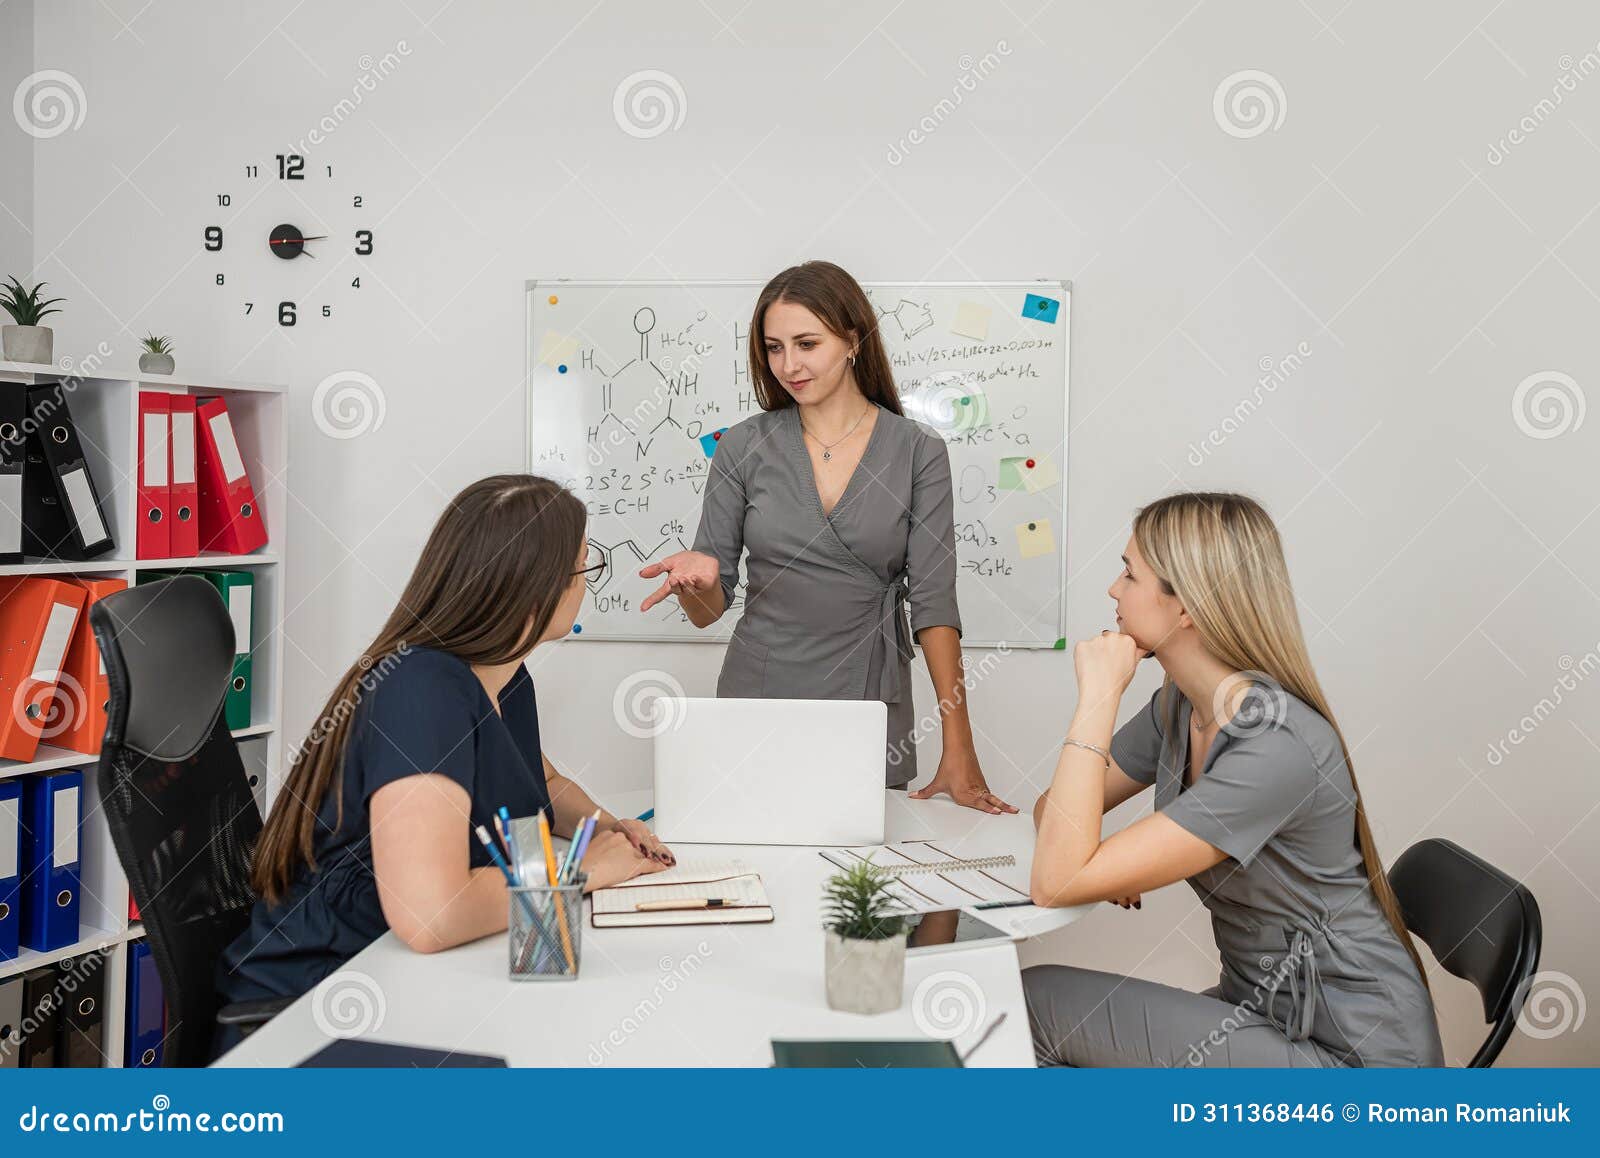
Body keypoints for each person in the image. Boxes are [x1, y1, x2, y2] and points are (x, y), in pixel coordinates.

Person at [217, 475, 670, 1012]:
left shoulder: (506, 677)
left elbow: (537, 785)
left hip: (420, 973)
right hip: (323, 998)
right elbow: (429, 914)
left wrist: (610, 829)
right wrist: (584, 870)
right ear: (536, 585)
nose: (586, 584)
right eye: (584, 567)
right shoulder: (422, 689)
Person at [1023, 492, 1443, 1067]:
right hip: (1264, 1011)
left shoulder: (1275, 743)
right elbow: (1055, 813)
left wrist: (1097, 696)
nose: (1113, 590)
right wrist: (1096, 864)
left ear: (1187, 605)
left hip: (1354, 1054)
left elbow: (1055, 880)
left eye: (1129, 573)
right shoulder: (1179, 707)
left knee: (1034, 1005)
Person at [637, 260, 1015, 813]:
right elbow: (707, 611)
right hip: (757, 696)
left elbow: (935, 607)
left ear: (852, 338)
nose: (788, 365)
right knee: (754, 863)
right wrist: (696, 583)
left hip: (868, 698)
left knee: (860, 886)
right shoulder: (741, 447)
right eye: (773, 348)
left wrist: (959, 751)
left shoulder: (918, 452)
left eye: (806, 343)